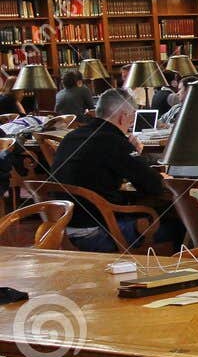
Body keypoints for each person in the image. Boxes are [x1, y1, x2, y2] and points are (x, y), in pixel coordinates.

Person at [50, 88, 186, 251]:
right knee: (180, 223)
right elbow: (153, 186)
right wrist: (135, 155)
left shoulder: (71, 137)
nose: (131, 124)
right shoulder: (113, 141)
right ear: (123, 117)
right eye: (132, 118)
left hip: (63, 227)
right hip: (97, 232)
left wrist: (132, 154)